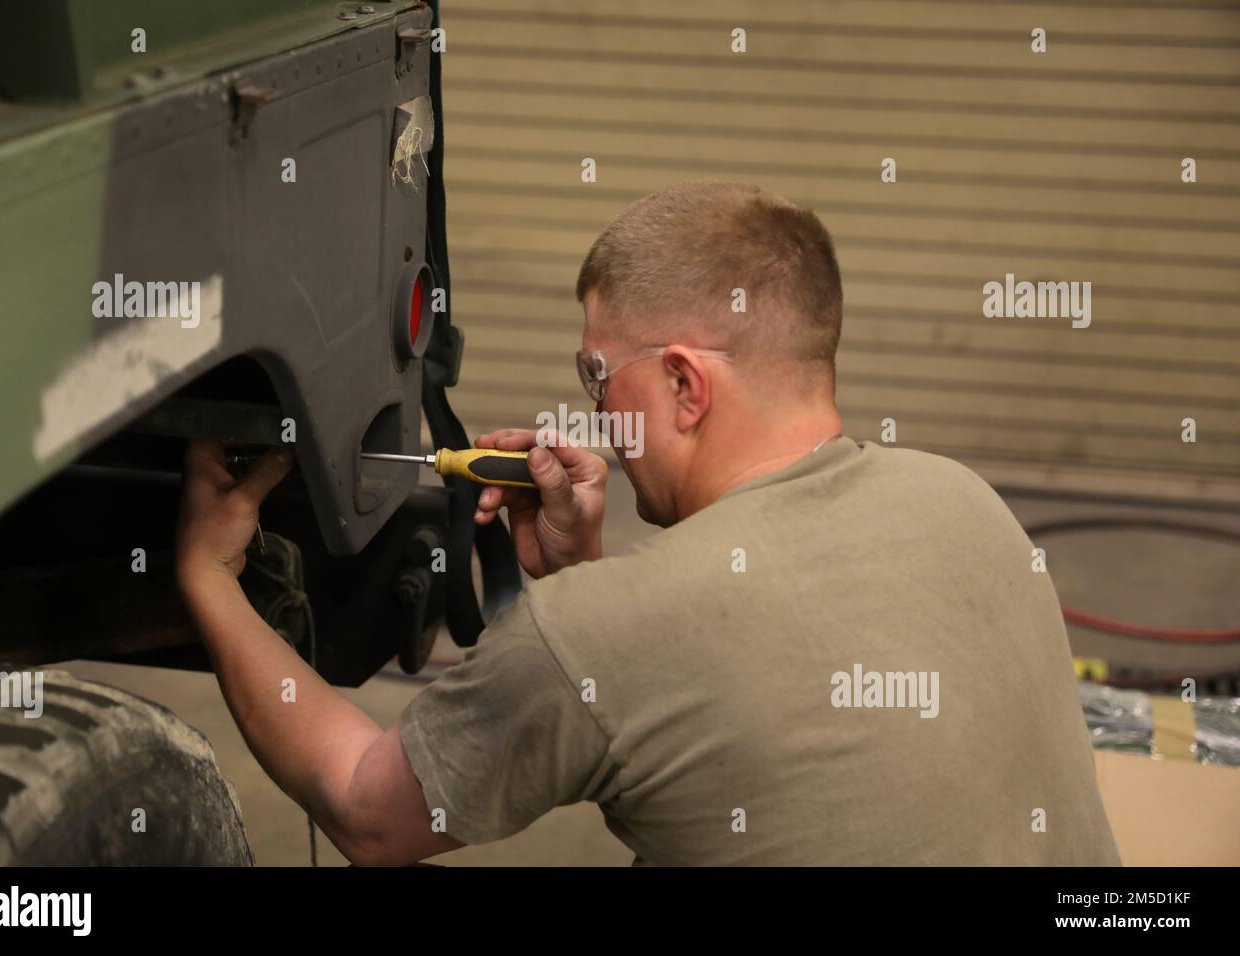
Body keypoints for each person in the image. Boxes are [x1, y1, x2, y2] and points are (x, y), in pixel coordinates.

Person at [176, 180, 1120, 865]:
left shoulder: (602, 634)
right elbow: (733, 679)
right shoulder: (963, 498)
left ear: (683, 381)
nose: (592, 414)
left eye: (597, 376)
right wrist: (582, 578)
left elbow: (366, 812)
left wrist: (212, 579)